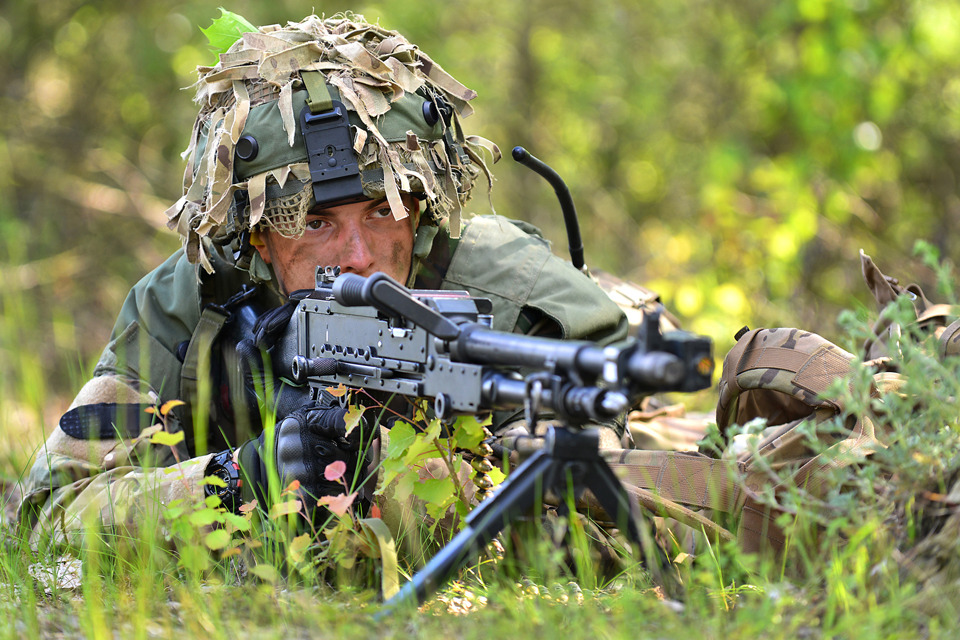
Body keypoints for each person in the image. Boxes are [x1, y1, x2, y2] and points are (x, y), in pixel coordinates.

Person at [17, 14, 628, 551]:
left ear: (422, 206)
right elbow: (49, 515)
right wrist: (240, 480)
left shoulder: (506, 293)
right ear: (254, 234)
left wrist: (395, 480)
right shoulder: (190, 303)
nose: (359, 256)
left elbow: (592, 515)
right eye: (313, 222)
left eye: (384, 209)